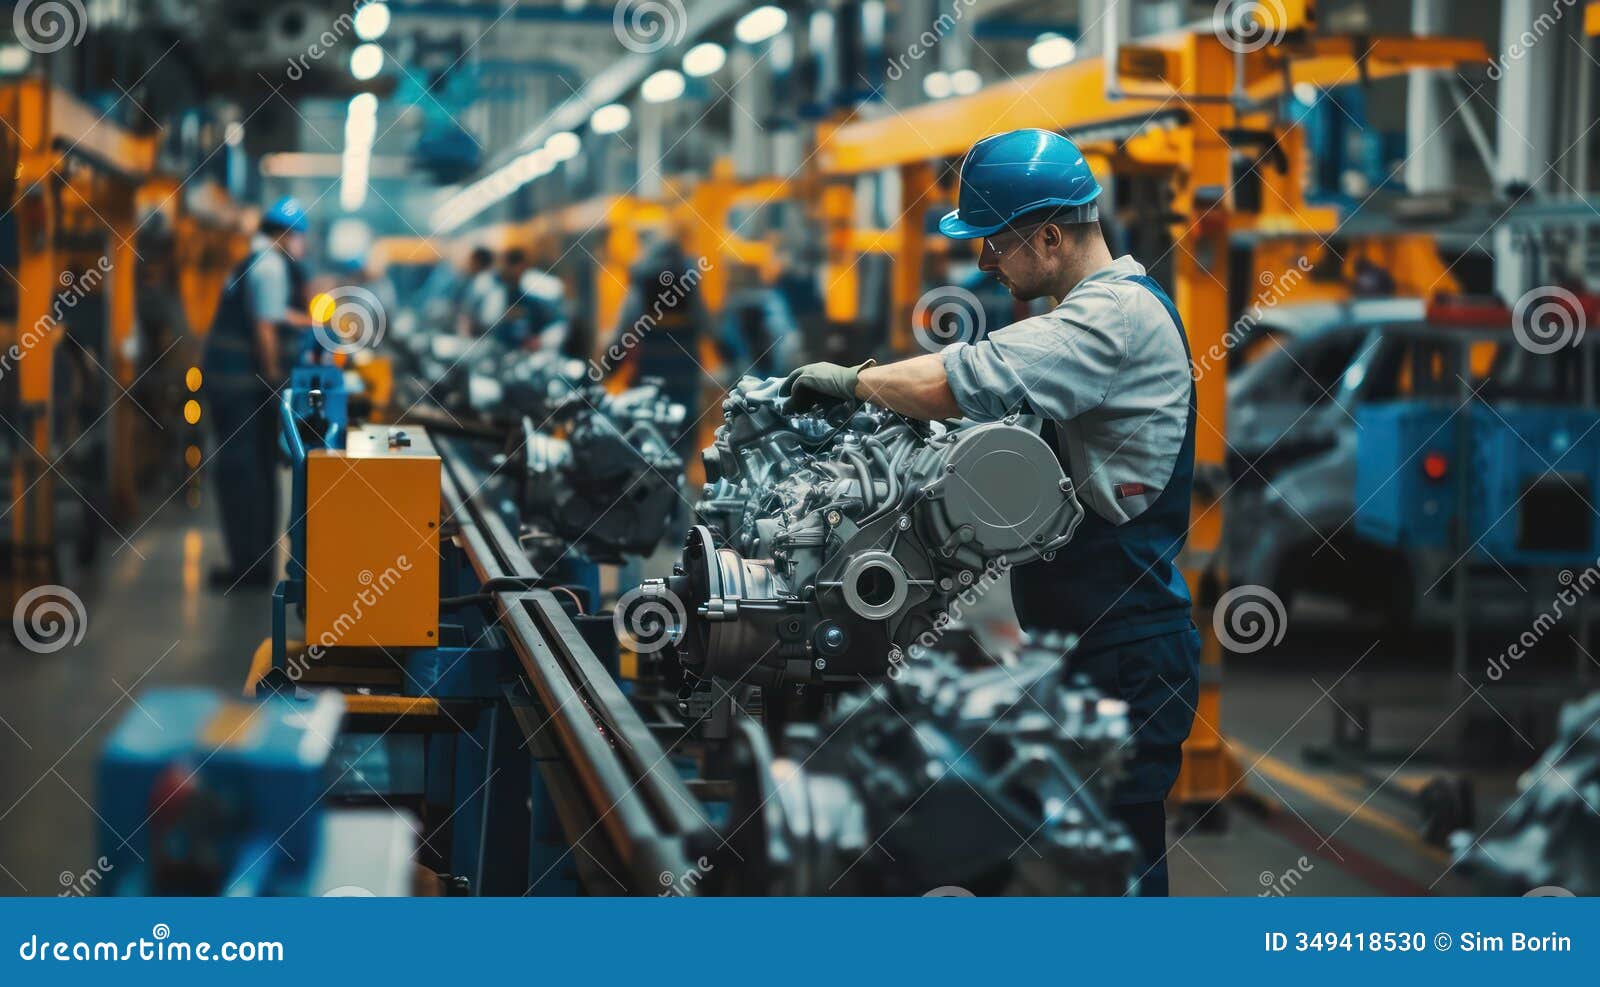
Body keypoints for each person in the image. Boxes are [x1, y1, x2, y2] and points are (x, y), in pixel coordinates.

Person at [780, 129, 1200, 896]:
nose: (983, 264)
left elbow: (962, 378)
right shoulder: (1099, 311)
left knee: (1114, 869)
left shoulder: (1113, 317)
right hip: (1089, 637)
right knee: (1072, 862)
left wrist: (851, 381)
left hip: (1127, 642)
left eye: (994, 244)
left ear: (1048, 235)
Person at [200, 195, 311, 589]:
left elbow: (274, 313)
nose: (303, 246)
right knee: (248, 474)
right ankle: (250, 565)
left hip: (232, 387)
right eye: (301, 237)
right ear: (284, 234)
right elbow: (266, 327)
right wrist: (274, 377)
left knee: (248, 473)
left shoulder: (254, 261)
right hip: (244, 388)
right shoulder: (270, 265)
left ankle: (251, 564)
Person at [479, 248, 566, 351]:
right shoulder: (501, 288)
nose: (502, 270)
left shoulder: (540, 287)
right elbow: (488, 321)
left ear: (521, 265)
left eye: (506, 265)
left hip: (537, 351)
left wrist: (541, 341)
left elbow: (559, 322)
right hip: (505, 350)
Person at [454, 246, 496, 337]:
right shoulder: (494, 282)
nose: (468, 264)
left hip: (478, 335)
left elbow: (467, 312)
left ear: (477, 262)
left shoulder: (481, 282)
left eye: (470, 261)